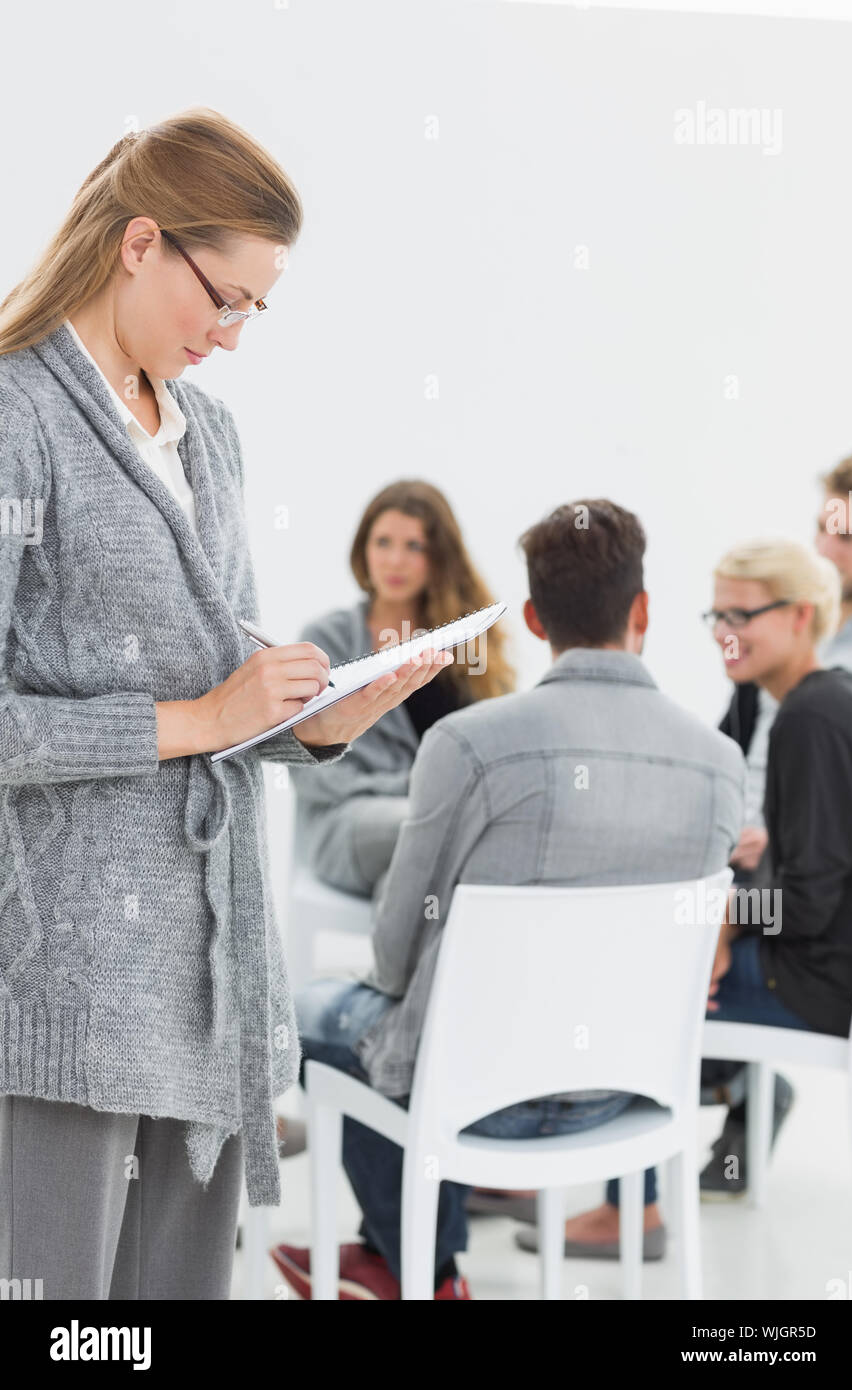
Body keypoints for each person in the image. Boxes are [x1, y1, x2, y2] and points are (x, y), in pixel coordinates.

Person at [0, 107, 453, 1301]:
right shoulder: (16, 416)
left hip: (208, 970)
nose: (237, 336)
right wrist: (196, 721)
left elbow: (221, 679)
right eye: (227, 298)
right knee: (66, 1312)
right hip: (66, 977)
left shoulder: (211, 437)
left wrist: (313, 721)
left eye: (260, 308)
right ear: (141, 242)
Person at [269, 498, 745, 1299]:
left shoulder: (470, 745)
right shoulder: (719, 762)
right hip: (626, 1095)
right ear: (644, 610)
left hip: (477, 1095)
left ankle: (422, 1264)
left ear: (530, 616)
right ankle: (400, 1258)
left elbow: (391, 961)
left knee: (313, 1015)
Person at [563, 535, 852, 1243]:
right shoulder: (816, 701)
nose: (725, 634)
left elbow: (809, 904)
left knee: (633, 992)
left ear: (801, 616)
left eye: (743, 615)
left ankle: (632, 1211)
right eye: (716, 617)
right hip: (824, 969)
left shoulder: (810, 718)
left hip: (816, 984)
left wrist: (722, 925)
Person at [289, 480, 516, 901]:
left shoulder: (466, 643)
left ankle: (408, 967)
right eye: (383, 542)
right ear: (363, 549)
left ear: (439, 557)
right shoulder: (328, 640)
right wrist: (422, 791)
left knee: (437, 854)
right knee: (425, 829)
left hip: (439, 815)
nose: (395, 560)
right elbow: (313, 776)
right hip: (348, 822)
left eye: (414, 546)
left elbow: (494, 752)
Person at [722, 450, 852, 889]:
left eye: (846, 535)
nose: (825, 550)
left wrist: (784, 840)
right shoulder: (785, 630)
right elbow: (730, 745)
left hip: (803, 884)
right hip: (727, 862)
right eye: (822, 528)